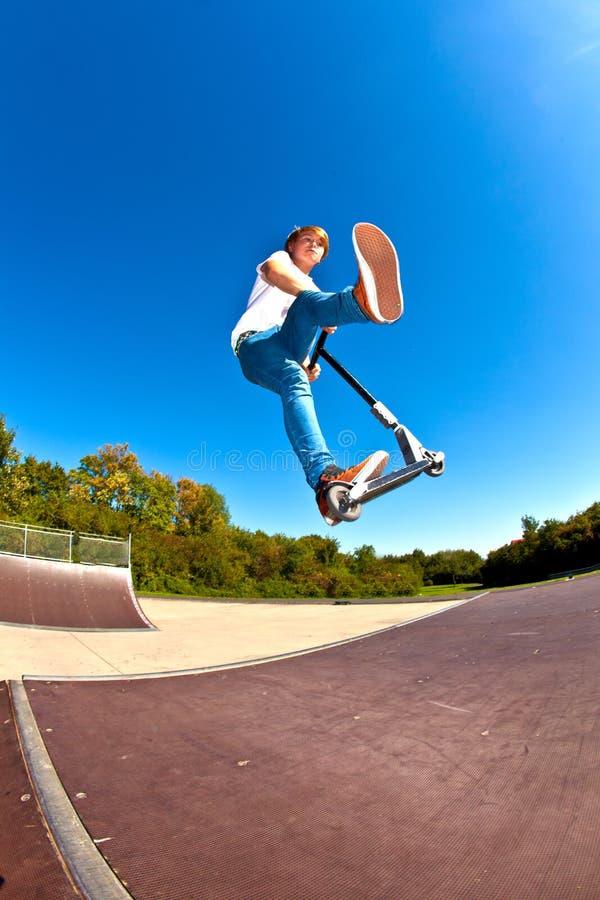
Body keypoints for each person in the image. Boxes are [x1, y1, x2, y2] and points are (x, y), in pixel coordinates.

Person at [231, 222, 403, 524]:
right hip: (254, 343)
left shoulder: (312, 295)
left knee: (296, 376)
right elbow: (273, 273)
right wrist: (326, 307)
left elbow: (298, 353)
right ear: (291, 247)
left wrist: (306, 366)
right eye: (306, 240)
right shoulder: (282, 262)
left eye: (319, 244)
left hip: (287, 347)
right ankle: (359, 303)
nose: (314, 245)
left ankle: (327, 487)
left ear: (322, 257)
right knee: (309, 303)